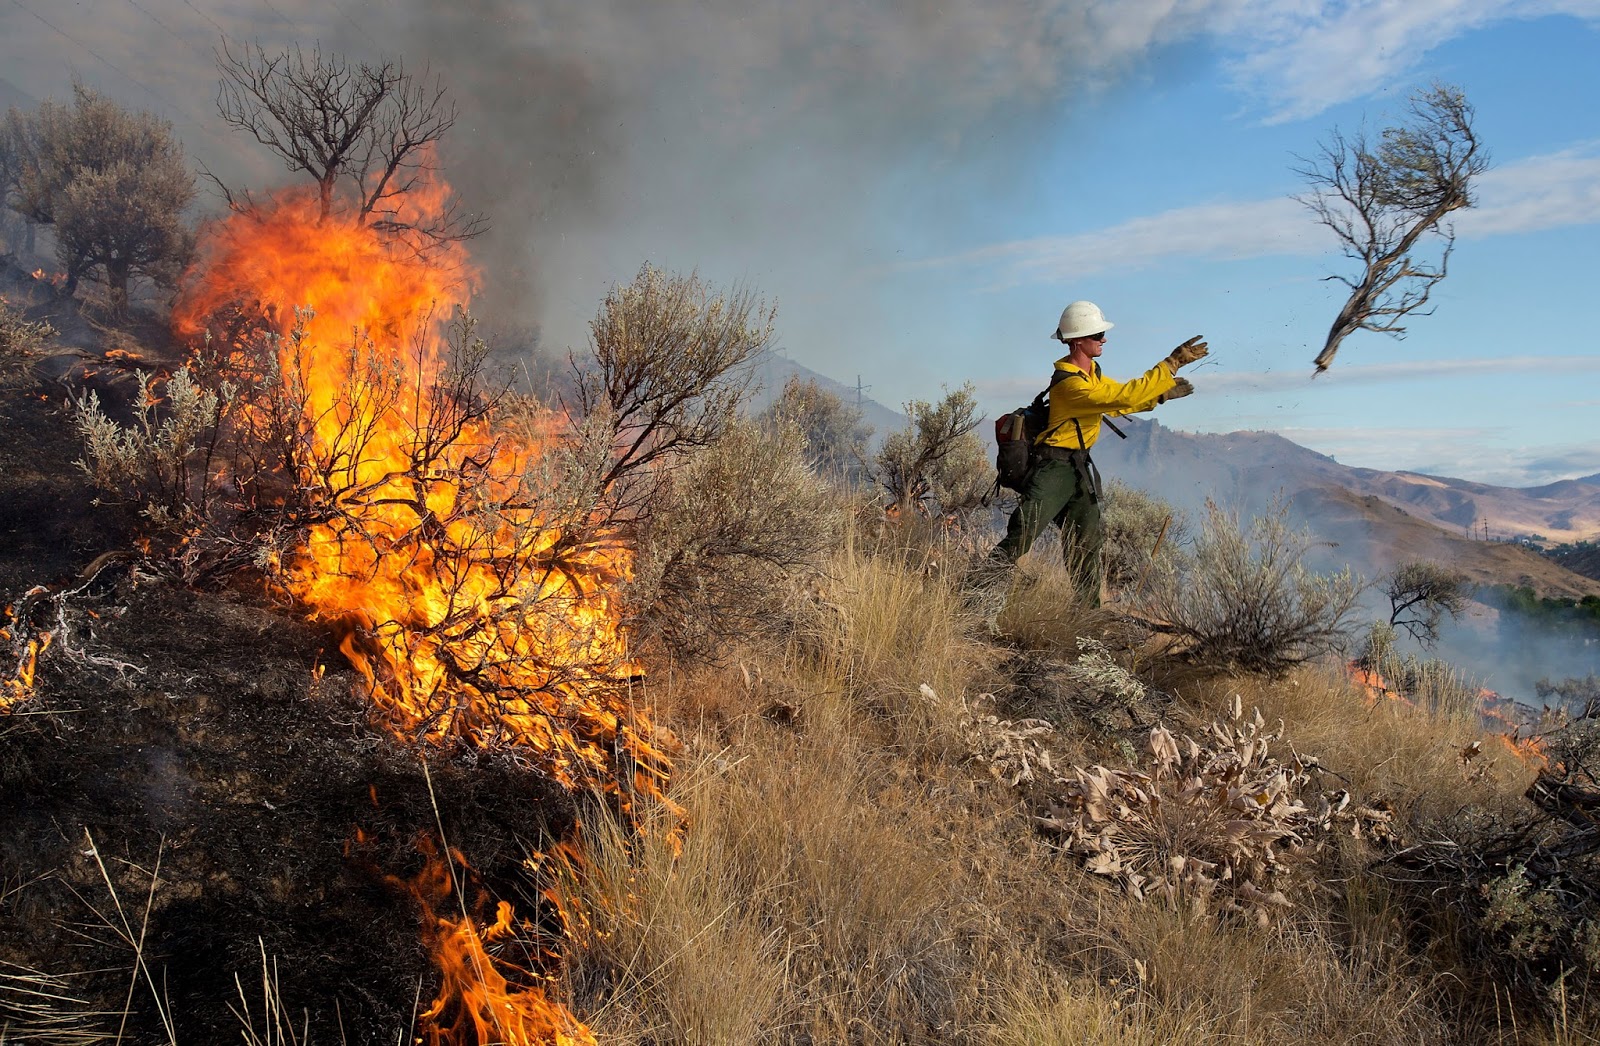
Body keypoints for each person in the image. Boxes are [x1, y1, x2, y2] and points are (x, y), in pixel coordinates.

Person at [990, 300, 1208, 605]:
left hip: (1076, 469)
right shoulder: (1069, 385)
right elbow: (1120, 395)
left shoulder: (1089, 376)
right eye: (1097, 335)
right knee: (1022, 535)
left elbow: (1119, 403)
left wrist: (1159, 395)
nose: (1103, 339)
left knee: (1086, 542)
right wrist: (1170, 365)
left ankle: (1086, 616)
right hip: (1054, 470)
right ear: (1078, 340)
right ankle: (973, 591)